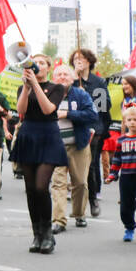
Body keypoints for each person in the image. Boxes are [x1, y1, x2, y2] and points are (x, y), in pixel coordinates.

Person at [9, 55, 67, 254]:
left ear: (48, 68)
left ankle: (48, 233)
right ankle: (37, 233)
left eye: (42, 63)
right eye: (35, 63)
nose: (37, 65)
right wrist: (26, 87)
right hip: (28, 136)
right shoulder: (23, 87)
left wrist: (36, 85)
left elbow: (48, 109)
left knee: (42, 187)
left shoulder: (57, 88)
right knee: (31, 189)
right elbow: (21, 110)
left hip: (48, 136)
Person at [48, 63, 98, 234]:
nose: (62, 77)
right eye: (59, 74)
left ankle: (79, 214)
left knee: (81, 183)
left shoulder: (81, 95)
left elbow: (92, 115)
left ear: (73, 78)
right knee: (58, 184)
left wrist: (68, 114)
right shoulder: (48, 94)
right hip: (55, 147)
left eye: (65, 74)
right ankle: (59, 220)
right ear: (53, 78)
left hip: (78, 146)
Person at [70, 48, 109, 217]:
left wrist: (87, 98)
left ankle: (92, 199)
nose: (79, 61)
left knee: (91, 164)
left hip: (93, 126)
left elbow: (104, 105)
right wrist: (73, 77)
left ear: (89, 62)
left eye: (82, 58)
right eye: (75, 59)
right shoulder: (69, 79)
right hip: (72, 125)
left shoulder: (98, 82)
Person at [111, 105, 136, 243]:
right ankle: (129, 227)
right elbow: (116, 159)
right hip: (126, 177)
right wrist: (113, 174)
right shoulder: (121, 140)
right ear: (125, 122)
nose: (133, 122)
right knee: (125, 207)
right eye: (129, 119)